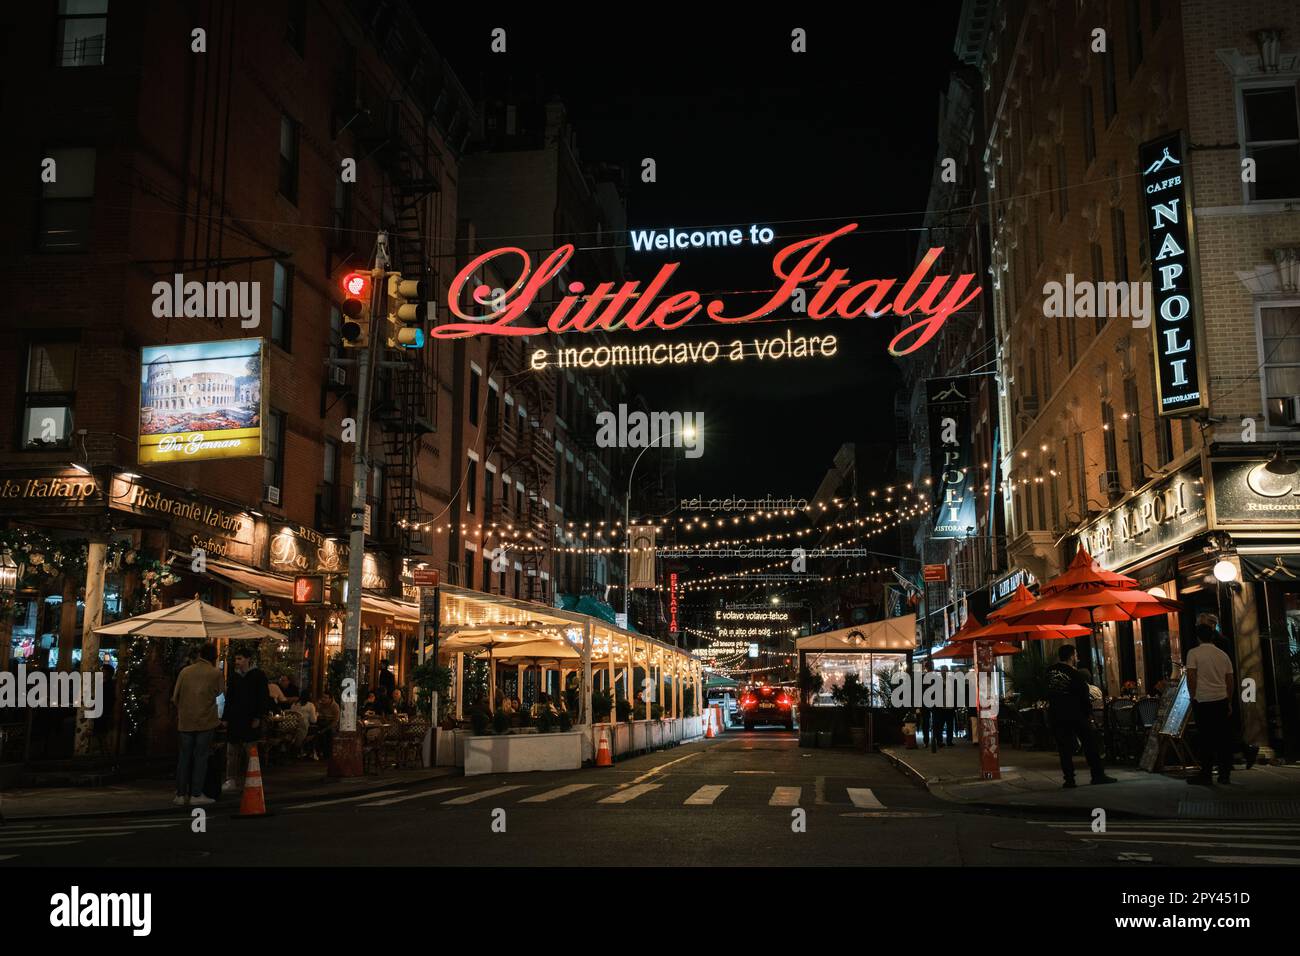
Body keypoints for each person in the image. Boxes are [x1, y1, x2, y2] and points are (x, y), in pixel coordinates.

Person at [1046, 645, 1116, 788]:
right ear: (1071, 656)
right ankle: (1097, 775)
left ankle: (1069, 779)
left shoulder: (1049, 672)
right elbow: (1084, 696)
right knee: (1090, 744)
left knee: (1064, 749)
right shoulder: (1075, 674)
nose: (1077, 657)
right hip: (1075, 714)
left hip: (1056, 714)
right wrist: (1089, 714)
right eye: (1076, 654)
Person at [1199, 613, 1259, 771]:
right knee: (1222, 729)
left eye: (1202, 625)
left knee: (1221, 729)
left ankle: (1236, 755)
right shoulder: (1210, 642)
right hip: (1217, 689)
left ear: (1212, 625)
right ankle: (1235, 756)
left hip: (1221, 690)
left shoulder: (1220, 642)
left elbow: (1227, 670)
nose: (1199, 628)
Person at [1185, 620, 1236, 786]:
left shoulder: (1193, 653)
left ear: (1198, 637)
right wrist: (1229, 701)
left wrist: (1193, 697)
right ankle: (1224, 774)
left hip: (1203, 700)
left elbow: (1191, 677)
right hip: (1221, 699)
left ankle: (1206, 774)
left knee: (1205, 739)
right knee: (1223, 739)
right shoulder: (1223, 655)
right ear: (1212, 636)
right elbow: (1230, 680)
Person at [171, 643, 222, 806]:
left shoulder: (185, 672)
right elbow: (221, 692)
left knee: (184, 757)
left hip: (185, 721)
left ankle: (180, 794)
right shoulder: (215, 673)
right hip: (205, 721)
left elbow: (175, 697)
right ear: (214, 657)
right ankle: (196, 793)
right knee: (201, 758)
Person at [222, 650, 269, 794]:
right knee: (232, 752)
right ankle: (231, 779)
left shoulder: (258, 676)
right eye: (236, 658)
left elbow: (262, 697)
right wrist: (225, 717)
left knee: (250, 751)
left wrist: (258, 717)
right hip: (236, 719)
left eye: (240, 658)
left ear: (248, 659)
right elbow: (229, 699)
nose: (237, 661)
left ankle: (252, 779)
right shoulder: (234, 677)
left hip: (249, 719)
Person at [315, 692, 340, 760]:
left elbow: (335, 721)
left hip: (331, 725)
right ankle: (317, 752)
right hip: (322, 723)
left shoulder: (335, 706)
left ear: (330, 699)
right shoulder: (320, 705)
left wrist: (324, 730)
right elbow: (317, 716)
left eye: (325, 698)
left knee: (329, 733)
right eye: (322, 697)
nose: (323, 699)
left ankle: (328, 754)